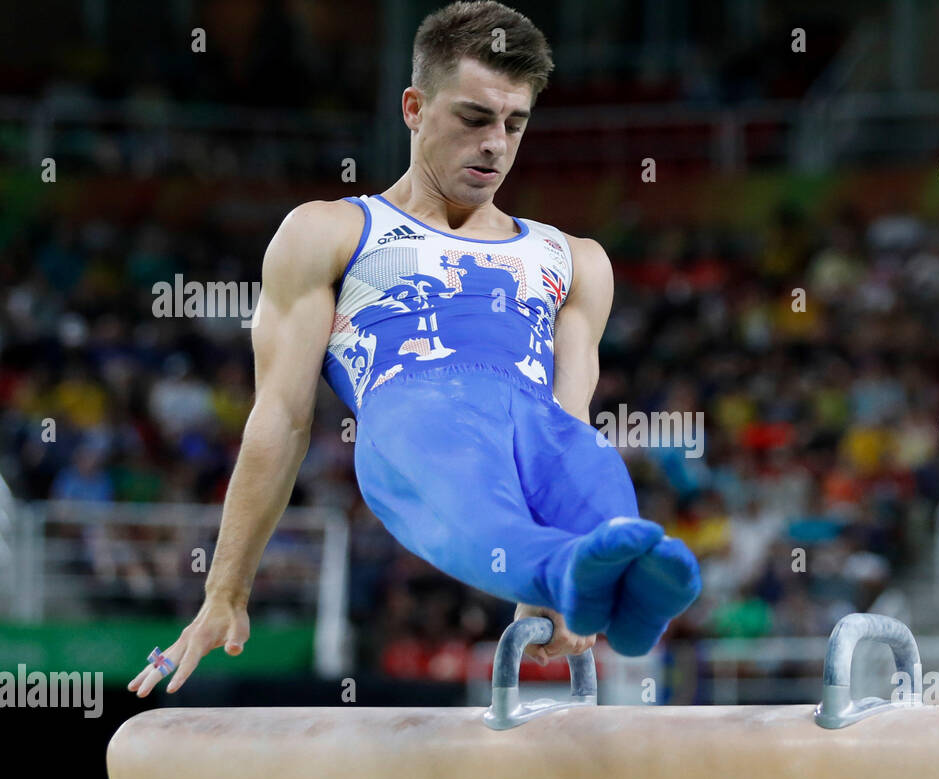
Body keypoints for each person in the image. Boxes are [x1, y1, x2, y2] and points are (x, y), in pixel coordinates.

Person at [131, 1, 701, 697]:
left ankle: (621, 569)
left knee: (584, 457)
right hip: (416, 419)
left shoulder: (575, 258)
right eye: (474, 118)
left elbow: (569, 417)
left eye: (513, 124)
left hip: (531, 416)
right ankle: (562, 570)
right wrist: (225, 591)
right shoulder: (332, 232)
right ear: (414, 108)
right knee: (468, 487)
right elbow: (280, 420)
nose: (495, 144)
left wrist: (538, 595)